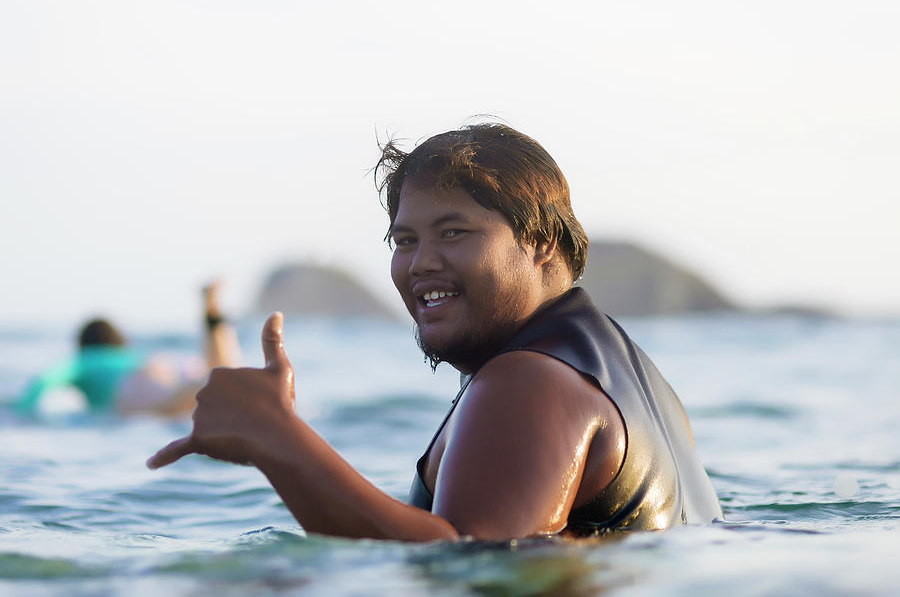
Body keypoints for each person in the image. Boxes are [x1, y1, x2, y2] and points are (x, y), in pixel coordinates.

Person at [147, 123, 723, 540]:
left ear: (542, 241)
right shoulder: (637, 382)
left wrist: (277, 437)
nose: (420, 262)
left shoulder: (529, 380)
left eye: (453, 232)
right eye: (405, 240)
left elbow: (471, 569)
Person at [16, 283, 241, 417]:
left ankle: (216, 360)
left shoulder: (86, 360)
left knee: (211, 389)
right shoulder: (125, 356)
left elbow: (45, 381)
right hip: (164, 365)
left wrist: (21, 412)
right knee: (220, 378)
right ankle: (215, 323)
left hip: (134, 384)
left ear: (83, 345)